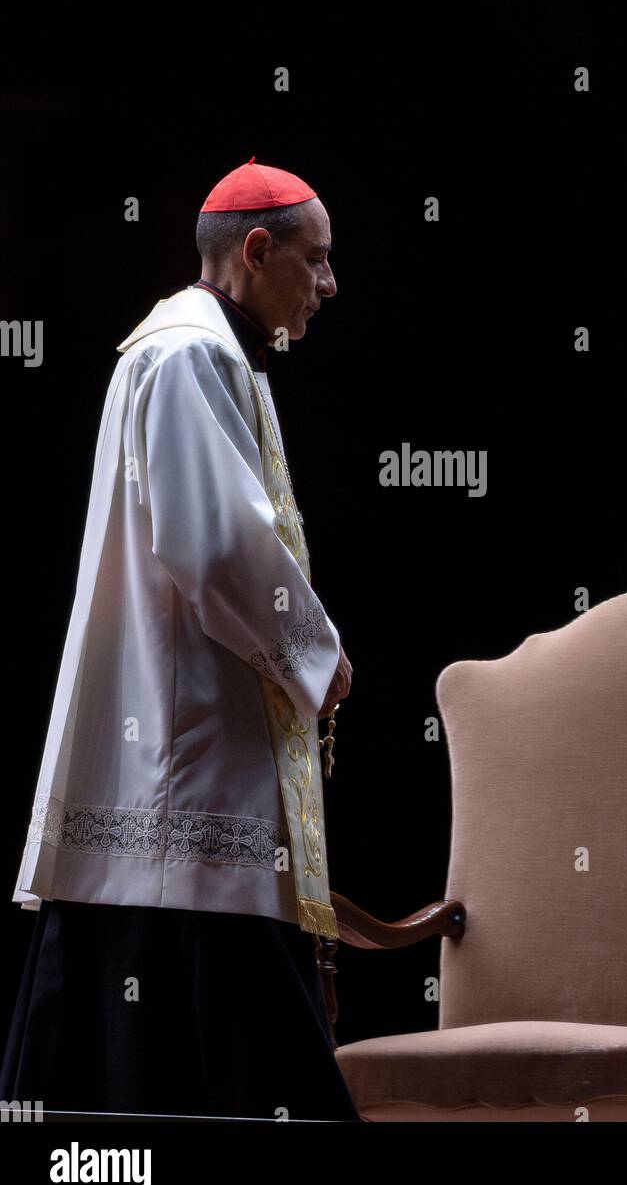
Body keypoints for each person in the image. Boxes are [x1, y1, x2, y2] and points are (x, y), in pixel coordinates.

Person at [0, 158, 362, 1121]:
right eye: (316, 261)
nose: (330, 284)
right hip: (183, 746)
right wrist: (318, 661)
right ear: (257, 249)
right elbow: (217, 549)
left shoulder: (205, 350)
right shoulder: (189, 356)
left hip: (180, 744)